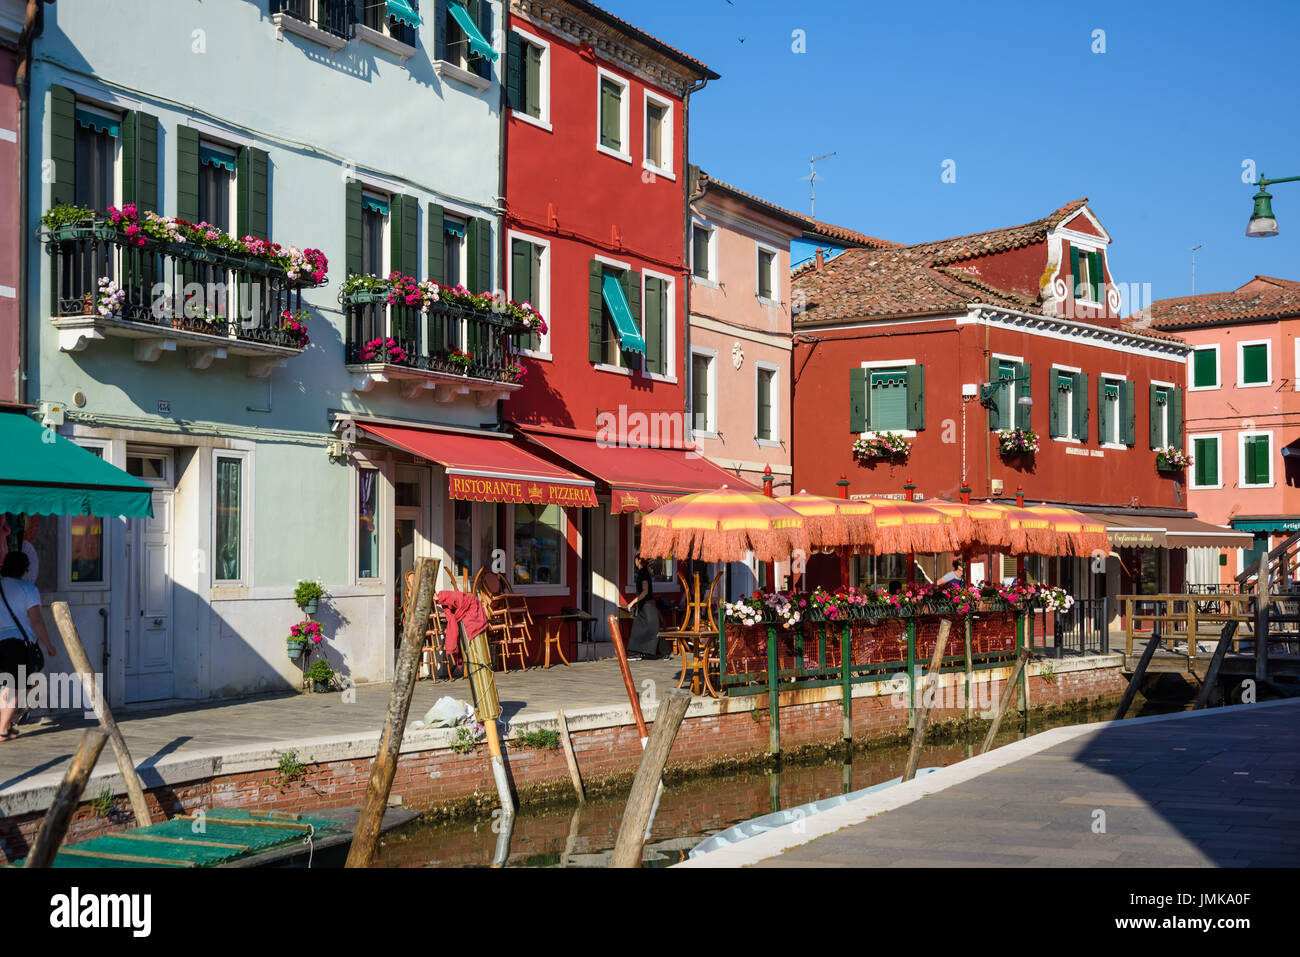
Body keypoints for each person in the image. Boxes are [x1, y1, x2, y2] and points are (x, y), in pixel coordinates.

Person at [0, 551, 58, 740]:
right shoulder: (28, 589)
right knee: (18, 686)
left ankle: (8, 721)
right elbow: (36, 621)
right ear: (25, 569)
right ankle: (2, 729)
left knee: (14, 684)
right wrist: (49, 644)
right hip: (17, 644)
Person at [625, 555, 666, 660]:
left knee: (645, 629)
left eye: (635, 560)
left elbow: (645, 591)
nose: (635, 563)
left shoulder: (643, 573)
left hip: (647, 605)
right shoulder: (643, 572)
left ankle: (638, 653)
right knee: (646, 628)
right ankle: (642, 653)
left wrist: (632, 603)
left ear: (639, 561)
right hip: (646, 605)